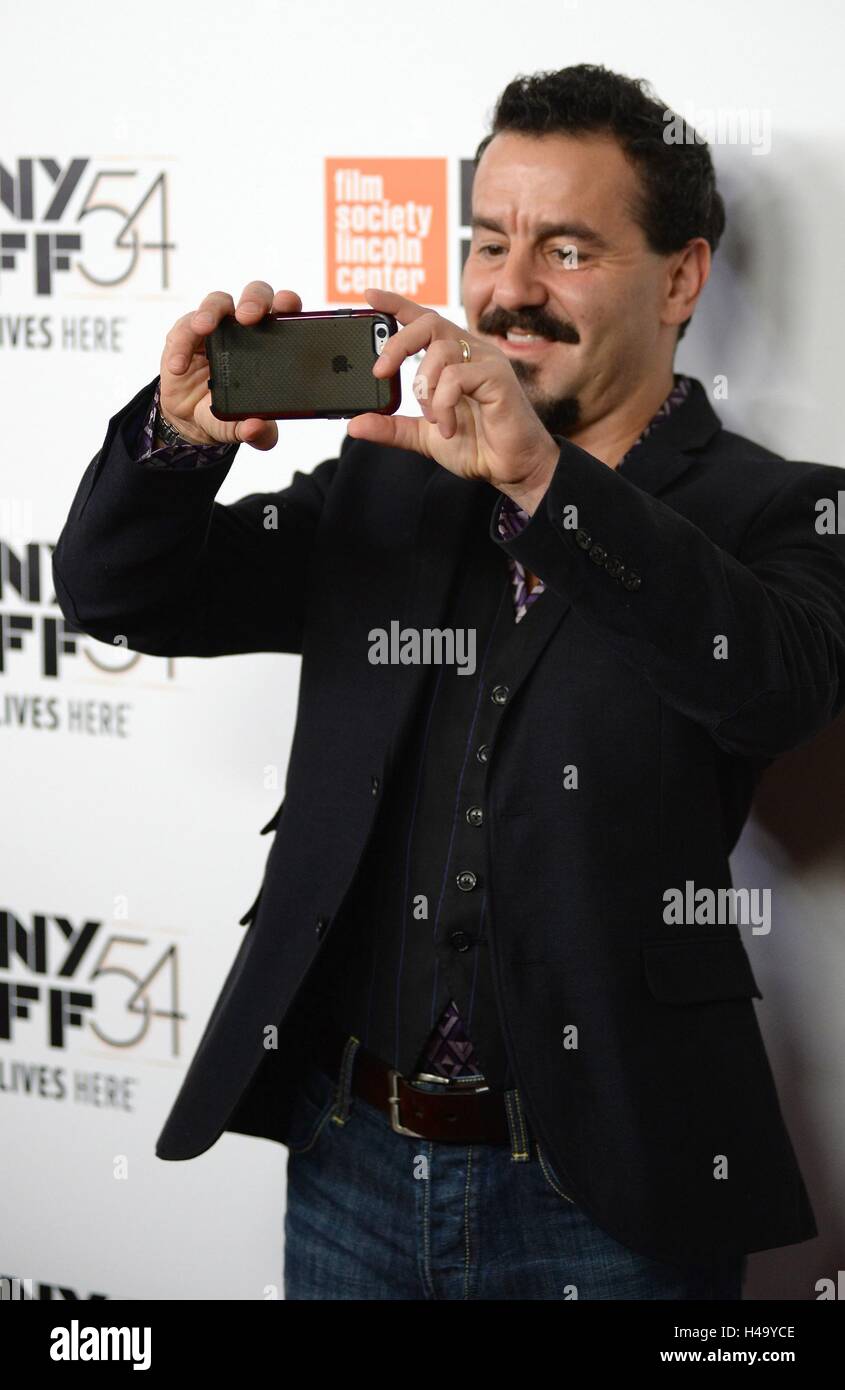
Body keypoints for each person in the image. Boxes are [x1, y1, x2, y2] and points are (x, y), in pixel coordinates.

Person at [52, 64, 845, 1300]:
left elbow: (772, 686)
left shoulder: (779, 507)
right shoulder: (391, 482)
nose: (509, 289)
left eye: (567, 247)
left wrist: (544, 486)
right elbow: (122, 593)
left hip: (615, 1195)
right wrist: (175, 437)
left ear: (681, 277)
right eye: (488, 242)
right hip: (349, 1165)